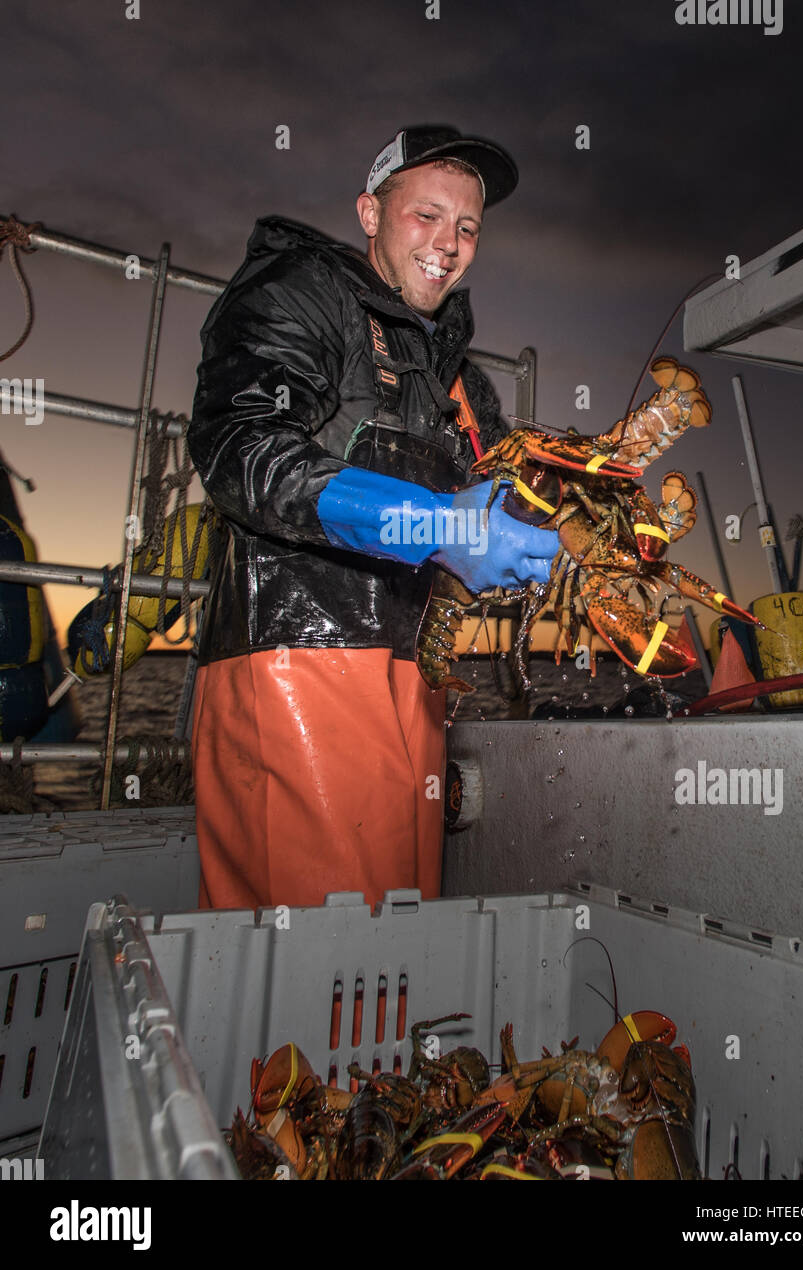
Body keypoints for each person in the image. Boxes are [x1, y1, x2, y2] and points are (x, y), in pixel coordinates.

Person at [187, 125, 559, 910]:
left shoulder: (450, 369)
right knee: (314, 958)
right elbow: (241, 447)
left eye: (466, 228)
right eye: (425, 216)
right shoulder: (297, 291)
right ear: (369, 212)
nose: (447, 244)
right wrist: (438, 527)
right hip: (293, 662)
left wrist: (560, 528)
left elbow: (514, 494)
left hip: (411, 678)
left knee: (397, 933)